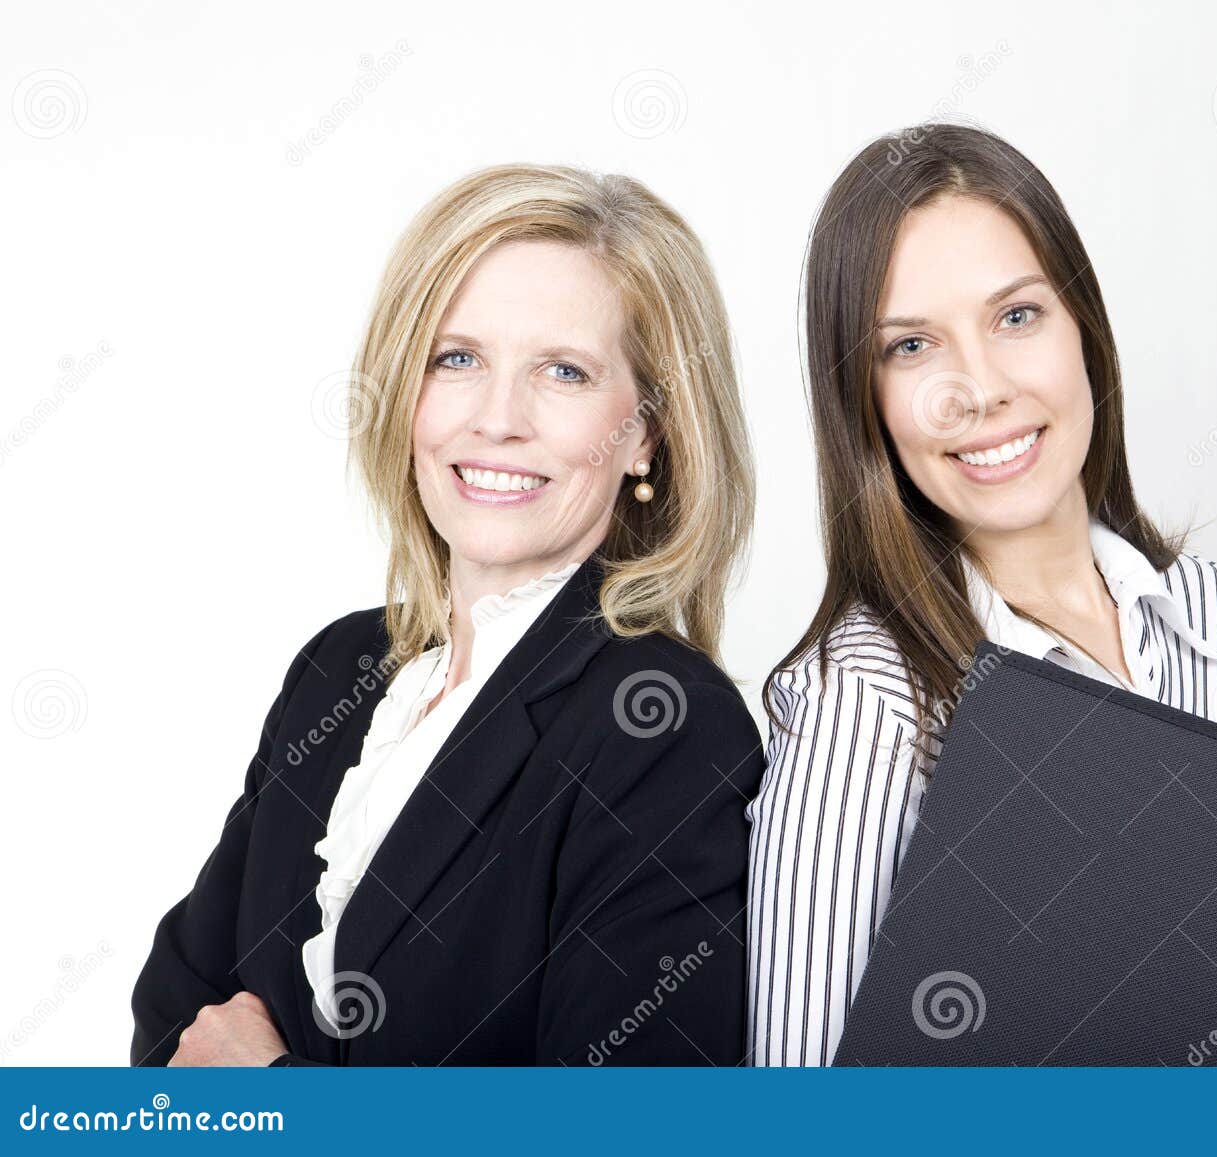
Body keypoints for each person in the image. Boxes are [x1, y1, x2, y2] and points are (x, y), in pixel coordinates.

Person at [745, 124, 1217, 1066]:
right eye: (912, 346)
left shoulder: (1207, 615)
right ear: (864, 401)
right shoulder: (862, 697)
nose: (980, 390)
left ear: (1084, 327)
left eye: (1016, 317)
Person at [132, 163, 762, 1066]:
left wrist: (269, 1092)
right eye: (456, 359)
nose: (497, 418)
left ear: (647, 432)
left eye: (565, 370)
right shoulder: (339, 670)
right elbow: (173, 1008)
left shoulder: (662, 725)